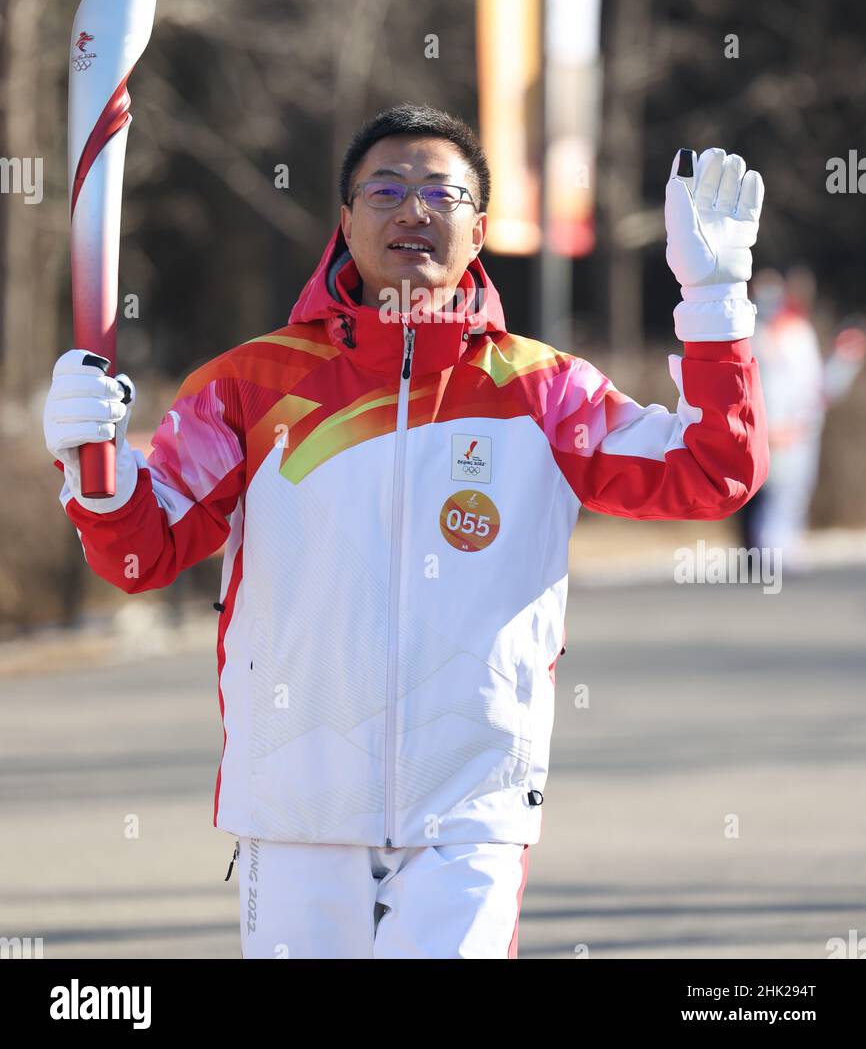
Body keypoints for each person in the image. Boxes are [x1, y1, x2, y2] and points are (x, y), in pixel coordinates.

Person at [43, 106, 768, 959]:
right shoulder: (247, 386)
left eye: (441, 192)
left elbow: (709, 471)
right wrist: (95, 473)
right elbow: (141, 550)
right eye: (384, 190)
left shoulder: (545, 392)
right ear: (346, 221)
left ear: (480, 229)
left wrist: (715, 304)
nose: (412, 210)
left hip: (471, 806)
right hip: (295, 805)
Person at [739, 266, 865, 569]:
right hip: (775, 430)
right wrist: (765, 427)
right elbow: (757, 388)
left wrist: (846, 359)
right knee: (772, 491)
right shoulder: (758, 338)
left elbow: (818, 387)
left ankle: (785, 549)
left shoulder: (800, 334)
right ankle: (765, 552)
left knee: (795, 491)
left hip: (803, 429)